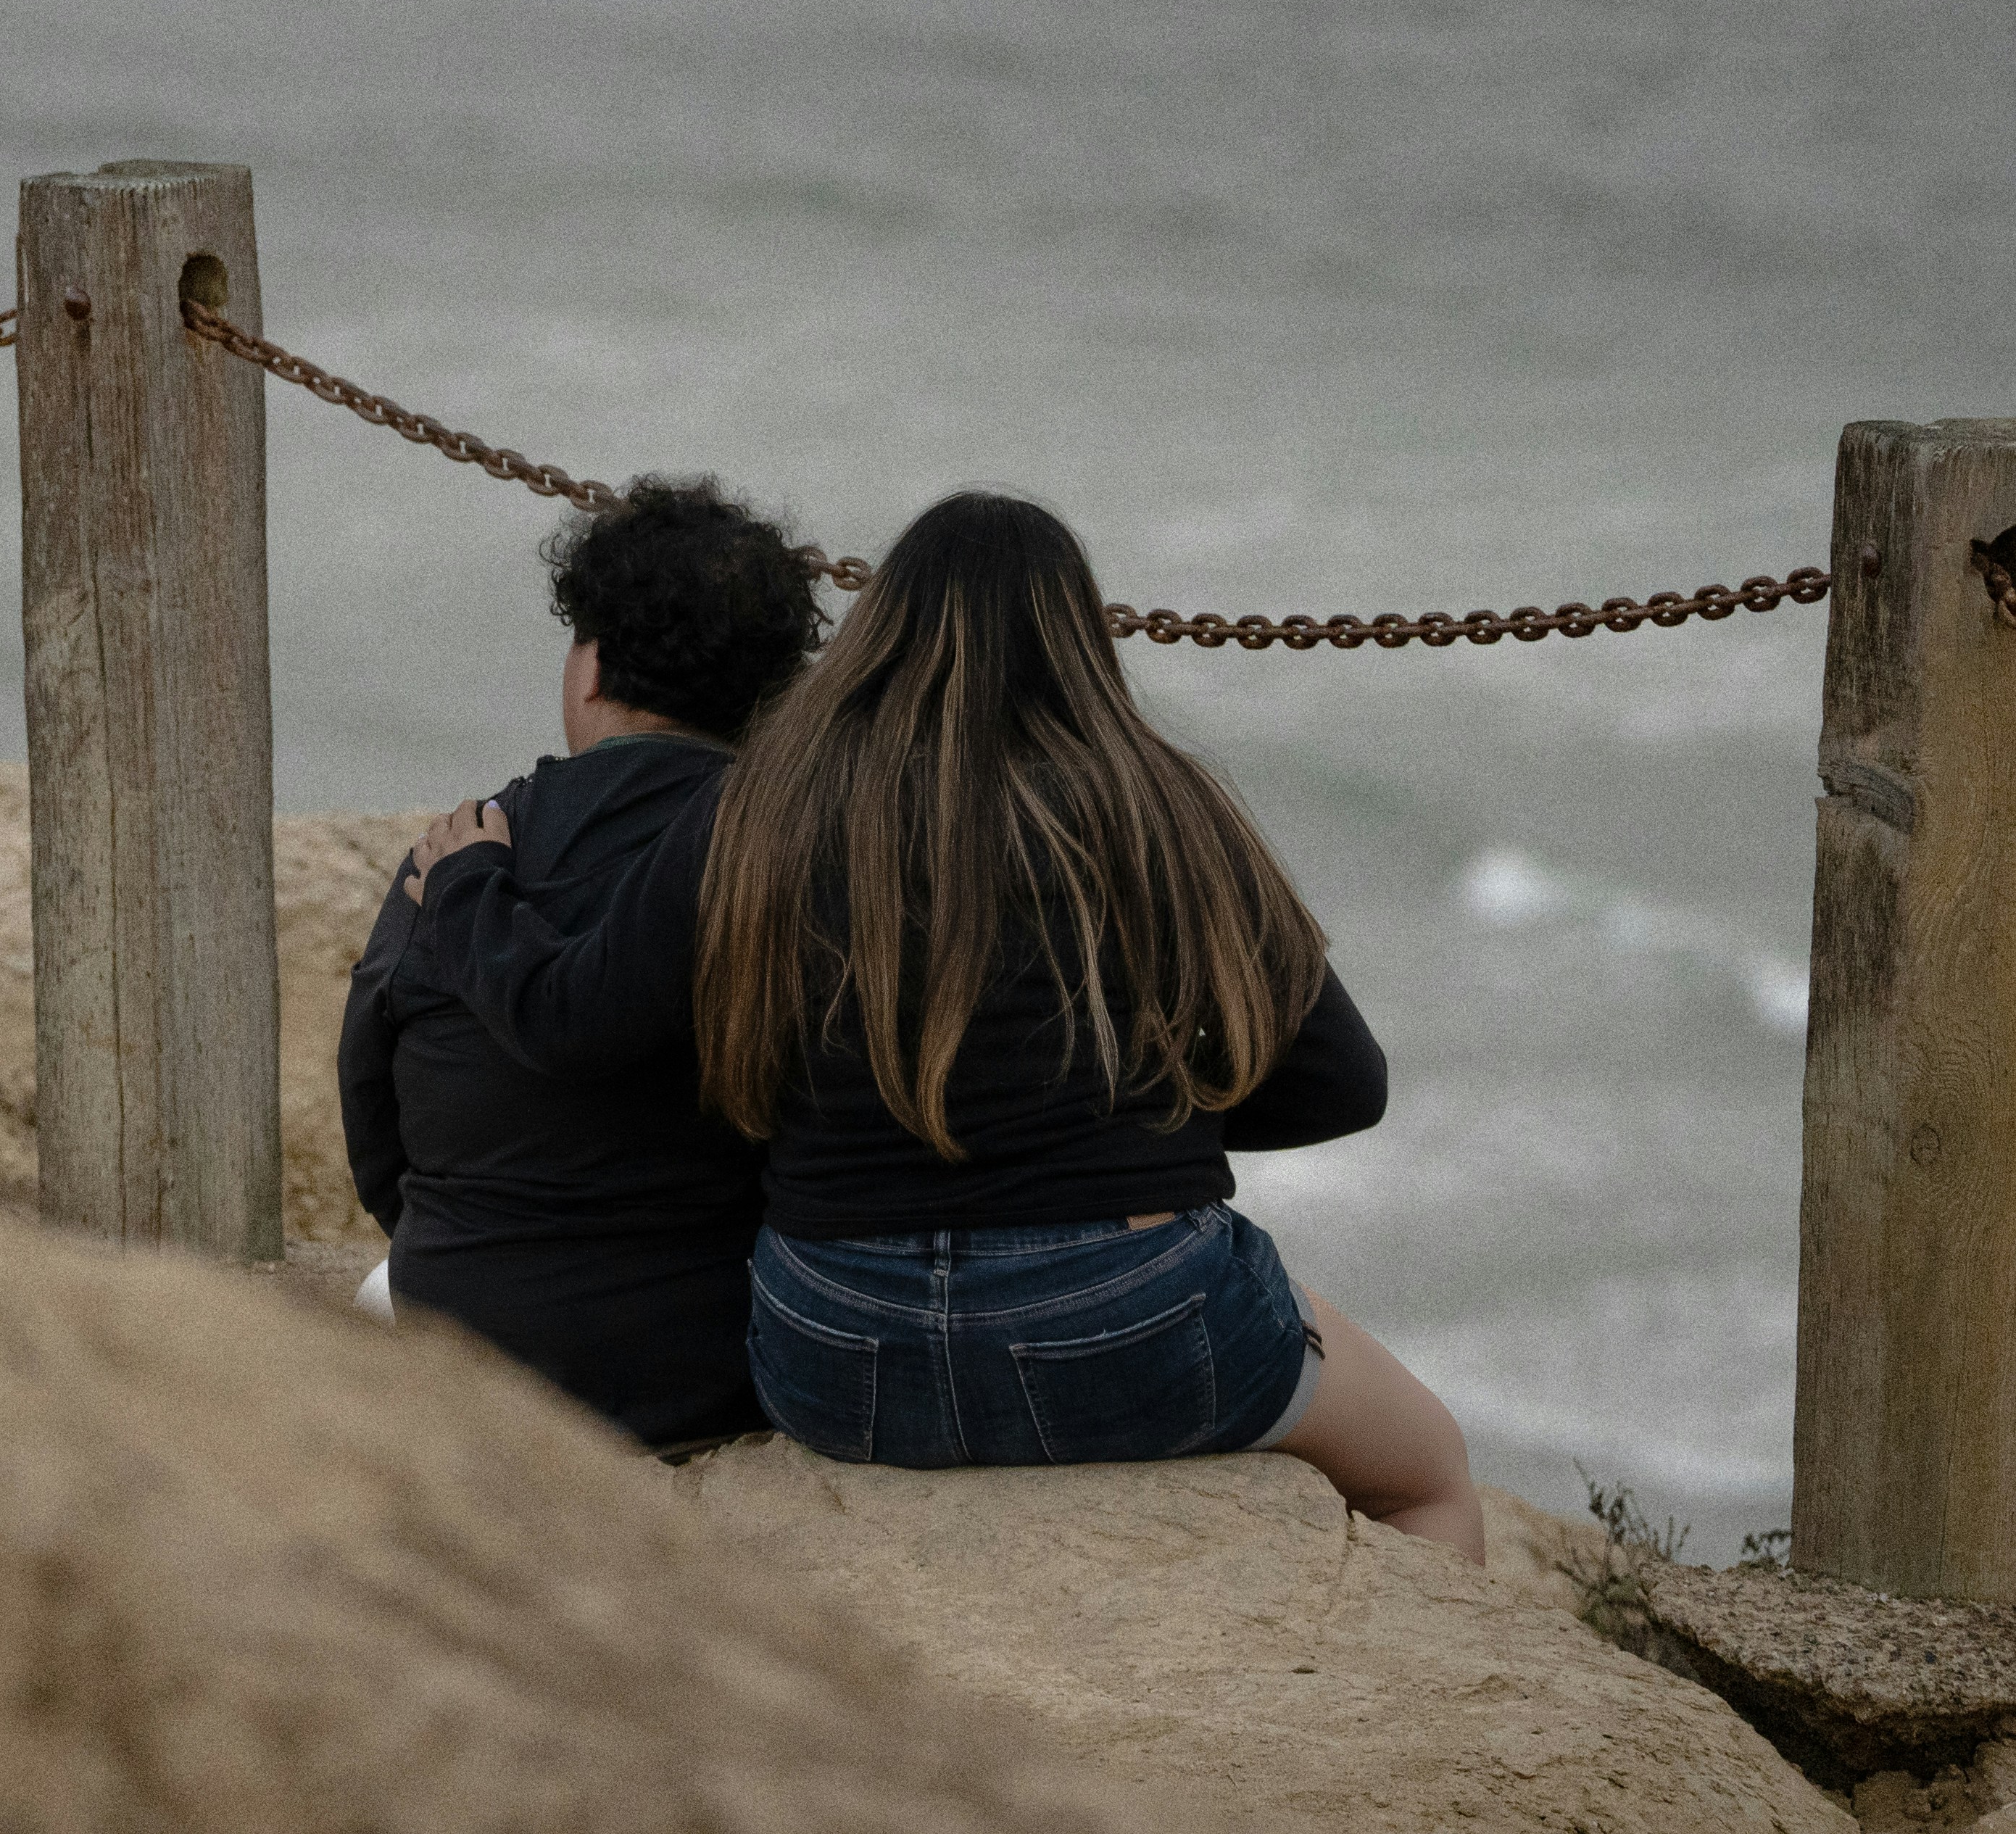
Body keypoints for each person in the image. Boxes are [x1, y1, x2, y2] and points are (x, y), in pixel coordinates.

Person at [405, 490, 1484, 1559]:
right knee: (1429, 1475)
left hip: (838, 1351)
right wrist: (1120, 1123)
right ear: (1079, 638)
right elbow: (1346, 1083)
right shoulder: (1164, 801)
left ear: (882, 629)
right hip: (1132, 1325)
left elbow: (570, 1020)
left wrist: (470, 880)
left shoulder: (765, 800)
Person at [339, 474, 823, 1451]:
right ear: (776, 698)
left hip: (468, 1347)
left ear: (591, 669)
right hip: (711, 1372)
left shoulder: (465, 845)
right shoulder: (800, 854)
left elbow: (375, 1120)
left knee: (368, 1297)